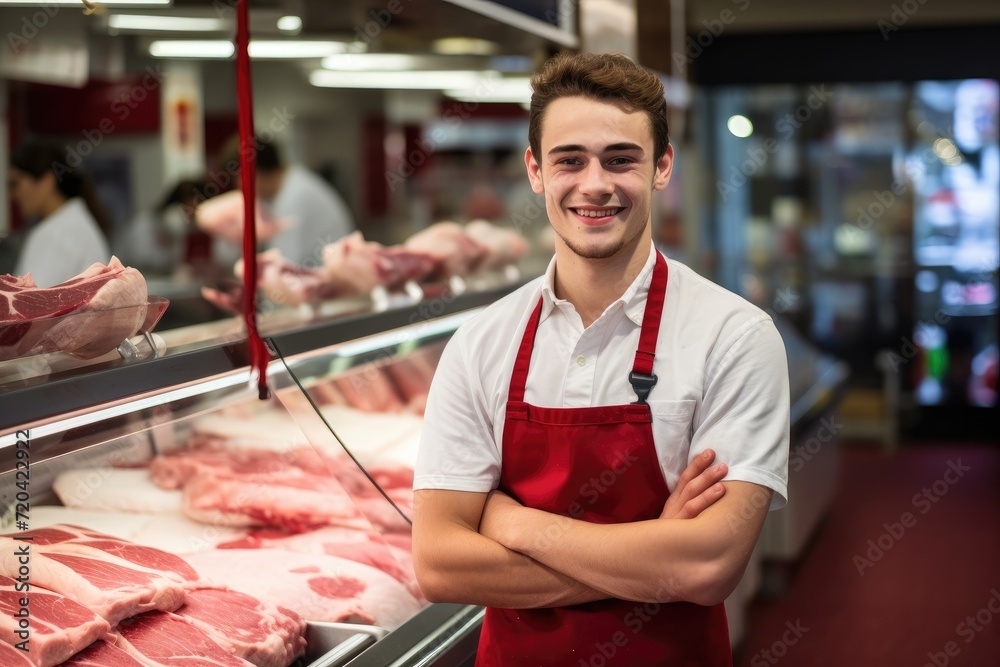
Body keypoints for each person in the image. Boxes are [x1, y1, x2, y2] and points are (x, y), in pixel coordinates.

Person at [412, 52, 790, 666]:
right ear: (535, 171)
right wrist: (656, 553)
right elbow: (439, 566)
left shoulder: (735, 337)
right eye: (569, 160)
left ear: (662, 166)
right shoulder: (481, 343)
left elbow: (709, 565)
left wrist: (515, 526)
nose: (595, 184)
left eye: (622, 159)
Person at [223, 135, 355, 267]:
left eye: (239, 179)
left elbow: (284, 262)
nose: (240, 187)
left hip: (327, 276)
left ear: (256, 173)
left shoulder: (295, 197)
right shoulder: (288, 186)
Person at [9, 140, 112, 286]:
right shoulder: (70, 224)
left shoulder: (57, 233)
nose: (13, 194)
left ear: (46, 180)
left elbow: (33, 303)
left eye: (15, 183)